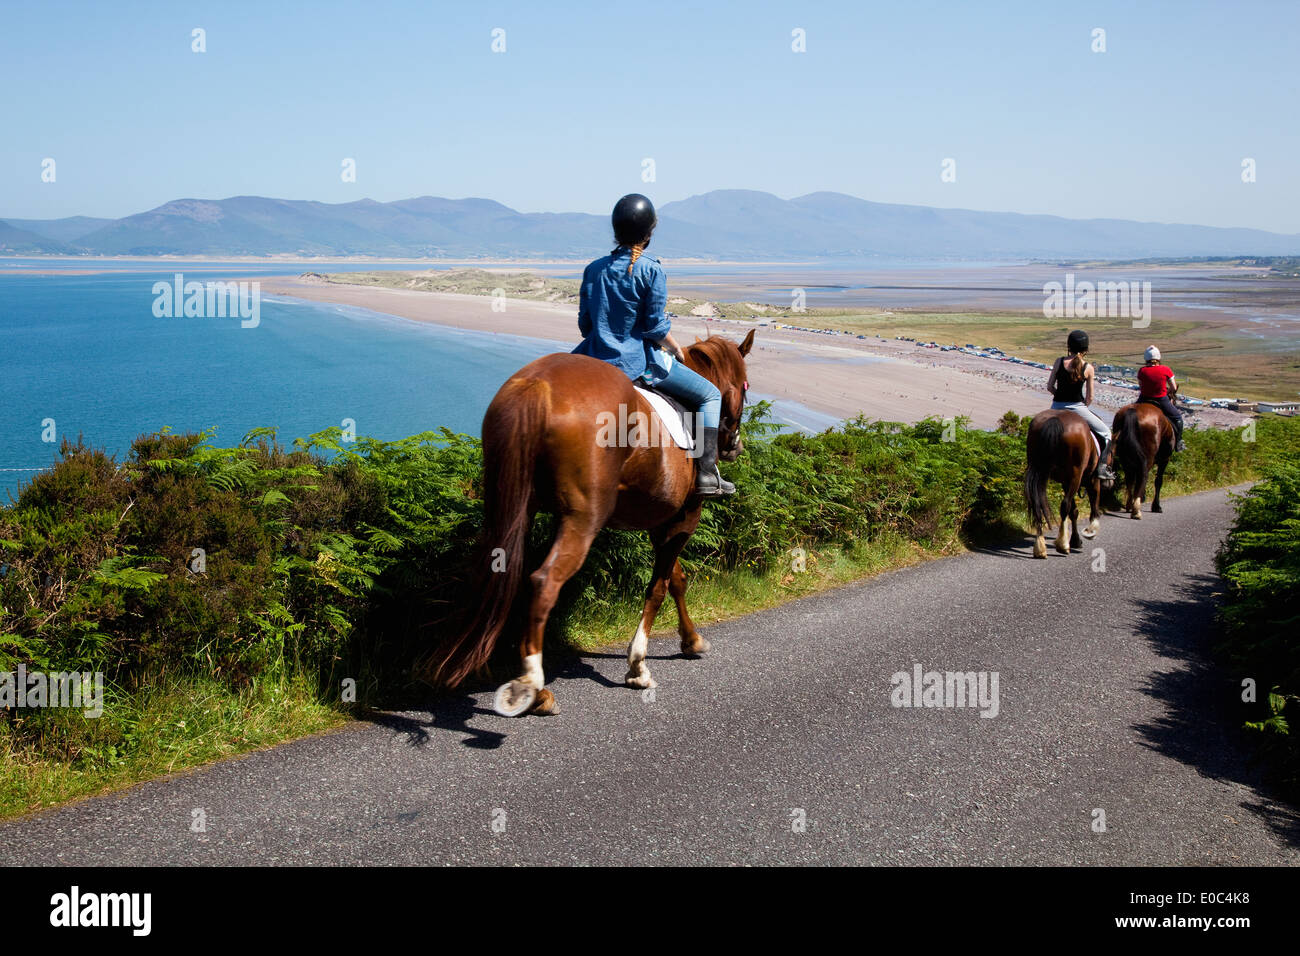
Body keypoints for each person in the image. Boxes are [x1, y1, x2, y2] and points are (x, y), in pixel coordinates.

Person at [572, 193, 735, 495]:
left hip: (591, 359)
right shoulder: (651, 269)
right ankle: (707, 473)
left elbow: (585, 327)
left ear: (616, 231)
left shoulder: (593, 269)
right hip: (637, 362)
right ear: (648, 234)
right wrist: (675, 348)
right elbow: (655, 327)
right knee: (710, 395)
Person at [1045, 329, 1116, 480]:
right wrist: (1081, 406)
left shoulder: (1059, 361)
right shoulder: (1088, 368)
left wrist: (1059, 397)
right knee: (1106, 433)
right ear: (1086, 348)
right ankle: (1102, 468)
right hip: (1078, 407)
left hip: (1056, 406)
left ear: (1069, 346)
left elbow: (1050, 387)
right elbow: (1089, 398)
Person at [1137, 345, 1186, 451]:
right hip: (1161, 399)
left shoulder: (1142, 371)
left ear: (1146, 359)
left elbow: (1141, 387)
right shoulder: (1166, 369)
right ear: (1158, 358)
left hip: (1143, 399)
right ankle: (1179, 443)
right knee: (1178, 418)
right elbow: (1173, 387)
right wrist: (1167, 392)